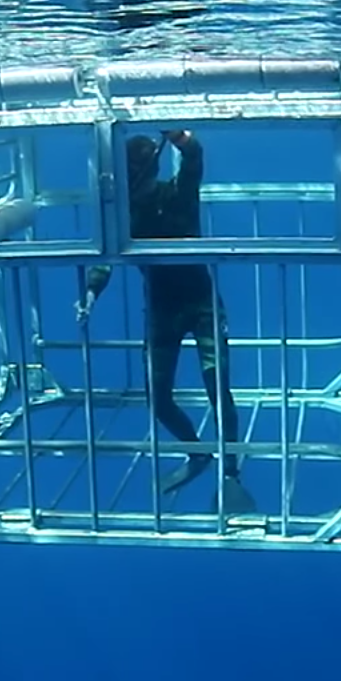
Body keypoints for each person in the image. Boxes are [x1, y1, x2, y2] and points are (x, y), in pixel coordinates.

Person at [76, 129, 256, 515]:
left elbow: (194, 157)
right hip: (161, 312)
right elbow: (105, 258)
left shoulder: (178, 194)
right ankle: (198, 454)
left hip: (203, 305)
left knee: (218, 390)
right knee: (158, 401)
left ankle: (231, 474)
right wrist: (91, 293)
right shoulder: (125, 216)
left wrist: (181, 137)